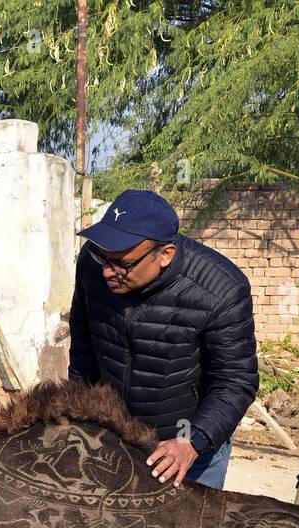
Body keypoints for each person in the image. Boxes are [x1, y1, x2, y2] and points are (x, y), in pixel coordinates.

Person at [69, 189, 258, 489]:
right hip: (115, 437)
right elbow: (83, 347)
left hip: (186, 449)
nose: (107, 271)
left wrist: (192, 441)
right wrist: (82, 416)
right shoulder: (93, 265)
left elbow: (234, 382)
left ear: (165, 255)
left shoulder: (221, 290)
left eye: (122, 263)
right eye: (102, 257)